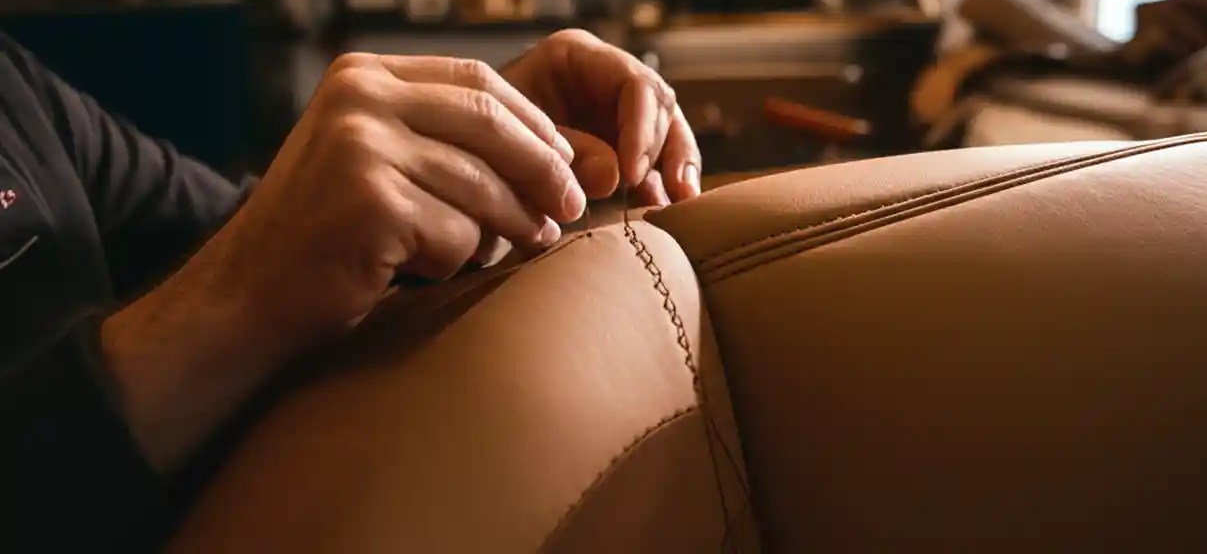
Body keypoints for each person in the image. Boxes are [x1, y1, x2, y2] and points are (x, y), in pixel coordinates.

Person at [0, 29, 702, 550]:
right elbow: (247, 265)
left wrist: (464, 159)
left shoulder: (13, 88)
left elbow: (243, 236)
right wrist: (242, 292)